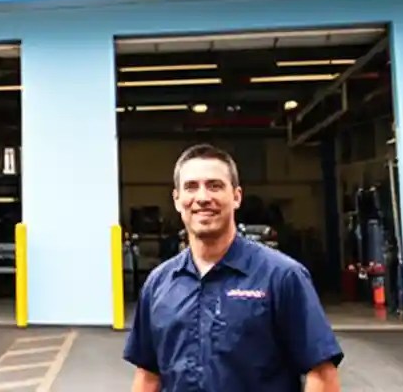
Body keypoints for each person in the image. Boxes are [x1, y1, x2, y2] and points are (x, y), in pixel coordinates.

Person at [124, 143, 343, 391]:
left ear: (236, 196)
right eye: (191, 187)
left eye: (215, 186)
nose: (203, 198)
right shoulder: (159, 284)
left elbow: (322, 374)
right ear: (177, 199)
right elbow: (148, 376)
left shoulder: (282, 276)